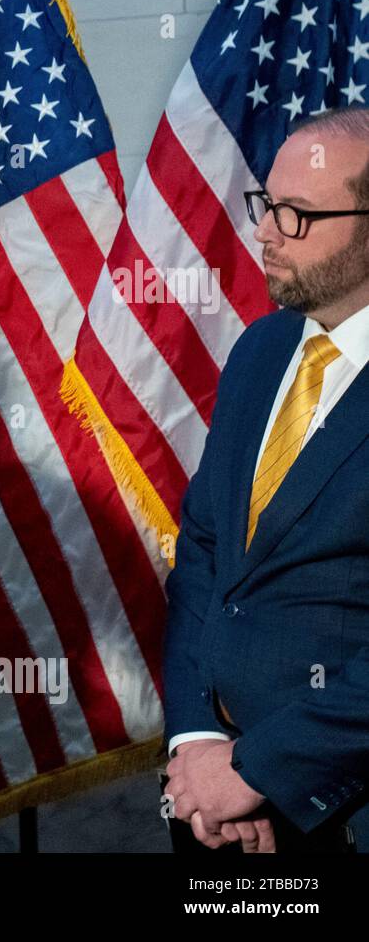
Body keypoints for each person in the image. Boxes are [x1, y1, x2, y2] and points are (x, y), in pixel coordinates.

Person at [163, 107, 369, 853]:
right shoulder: (261, 349)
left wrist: (259, 770)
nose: (266, 232)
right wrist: (194, 739)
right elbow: (204, 552)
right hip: (211, 807)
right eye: (267, 204)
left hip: (340, 815)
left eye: (300, 214)